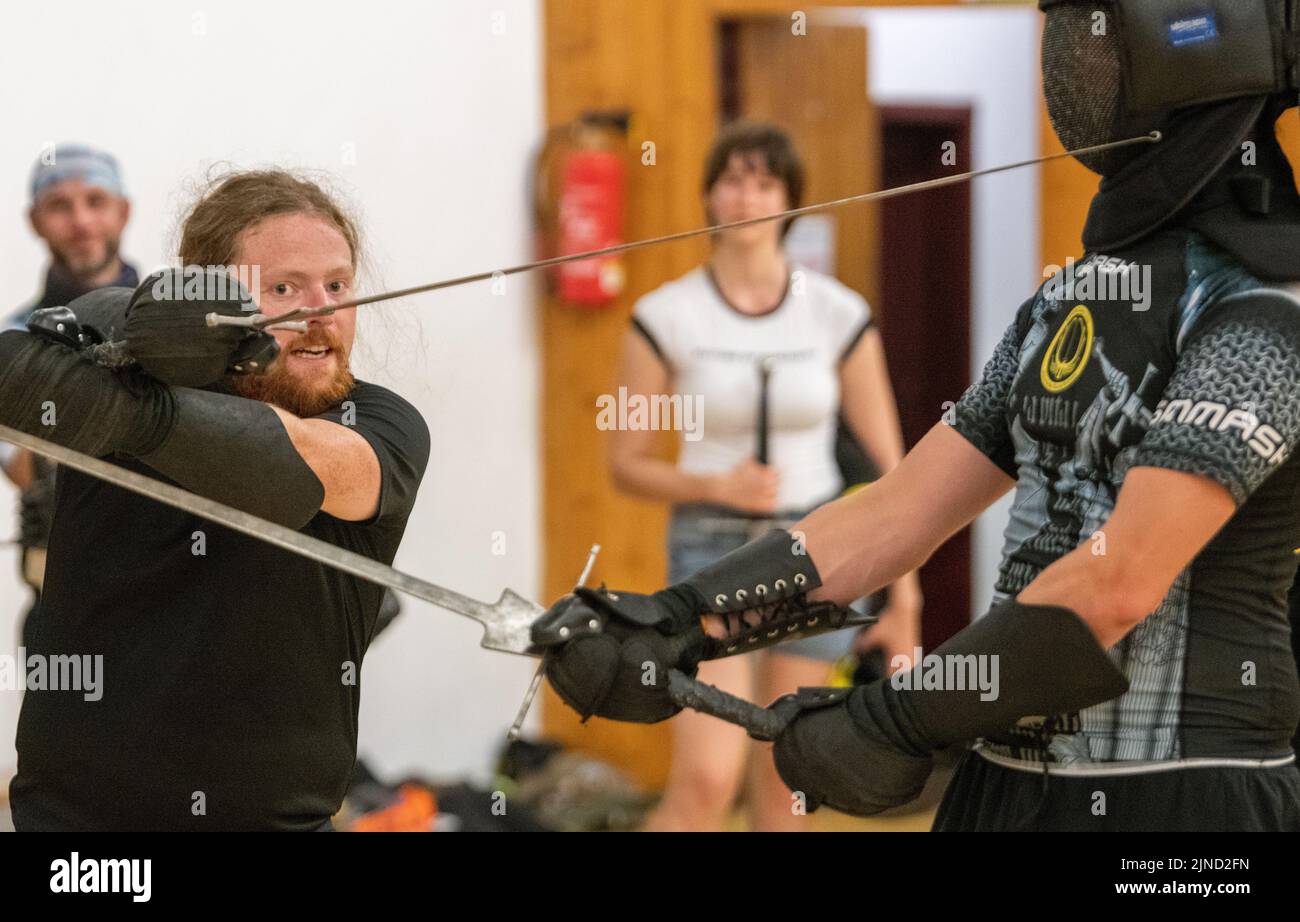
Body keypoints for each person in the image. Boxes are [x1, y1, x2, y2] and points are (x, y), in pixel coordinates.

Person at [534, 0, 1300, 831]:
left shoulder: (1267, 311)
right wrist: (678, 620)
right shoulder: (1067, 301)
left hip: (1183, 800)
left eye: (1094, 30)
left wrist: (906, 713)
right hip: (1005, 782)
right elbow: (893, 515)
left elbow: (1121, 582)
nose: (1072, 59)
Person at [0, 169, 431, 830]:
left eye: (338, 285)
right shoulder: (114, 359)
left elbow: (301, 463)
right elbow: (95, 313)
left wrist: (139, 421)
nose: (320, 313)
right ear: (207, 297)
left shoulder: (384, 425)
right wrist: (154, 340)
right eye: (285, 288)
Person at [610, 120, 920, 830]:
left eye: (764, 181)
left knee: (789, 784)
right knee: (708, 778)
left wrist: (905, 597)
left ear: (790, 201)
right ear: (709, 197)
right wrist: (716, 485)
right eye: (732, 179)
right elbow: (625, 465)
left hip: (818, 552)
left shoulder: (837, 313)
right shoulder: (665, 314)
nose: (746, 195)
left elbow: (896, 473)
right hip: (708, 550)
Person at [0, 144, 139, 646]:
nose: (81, 222)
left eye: (95, 201)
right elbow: (19, 462)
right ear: (35, 220)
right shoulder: (9, 342)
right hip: (66, 601)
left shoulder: (184, 328)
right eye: (60, 205)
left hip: (180, 595)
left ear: (123, 211)